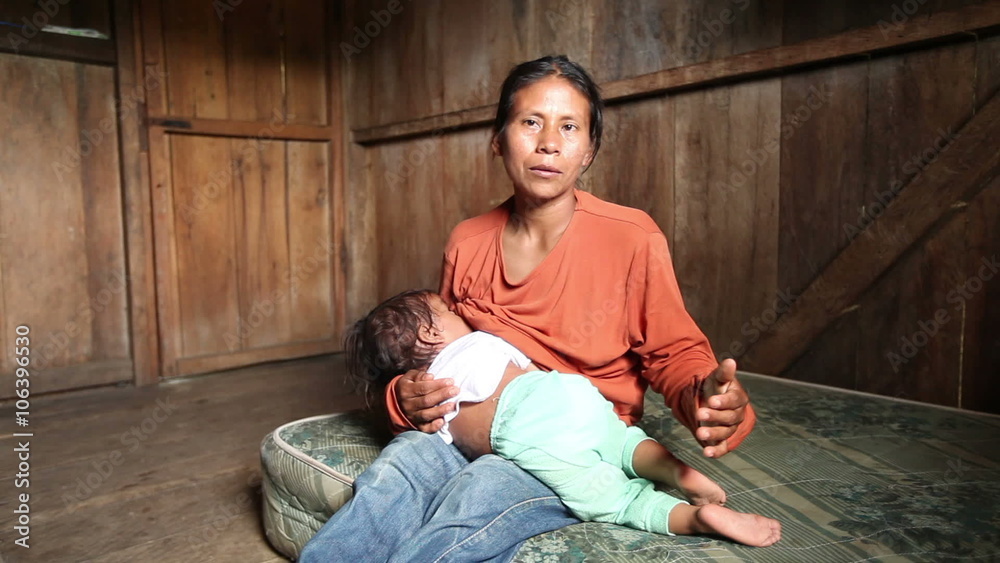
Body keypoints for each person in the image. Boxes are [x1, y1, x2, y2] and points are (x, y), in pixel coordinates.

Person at [300, 55, 757, 562]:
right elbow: (435, 346)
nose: (549, 143)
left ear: (589, 151)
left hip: (560, 441)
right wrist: (402, 399)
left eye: (569, 127)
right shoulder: (468, 242)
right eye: (530, 122)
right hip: (468, 429)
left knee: (480, 498)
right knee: (395, 472)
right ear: (498, 140)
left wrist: (706, 398)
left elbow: (674, 353)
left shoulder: (630, 238)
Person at [343, 288, 781, 545]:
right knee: (625, 443)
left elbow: (435, 436)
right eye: (452, 311)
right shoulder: (484, 332)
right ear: (432, 330)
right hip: (565, 390)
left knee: (618, 501)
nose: (461, 312)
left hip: (525, 434)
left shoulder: (440, 377)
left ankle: (692, 519)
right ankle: (681, 473)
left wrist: (415, 414)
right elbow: (529, 366)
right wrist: (396, 400)